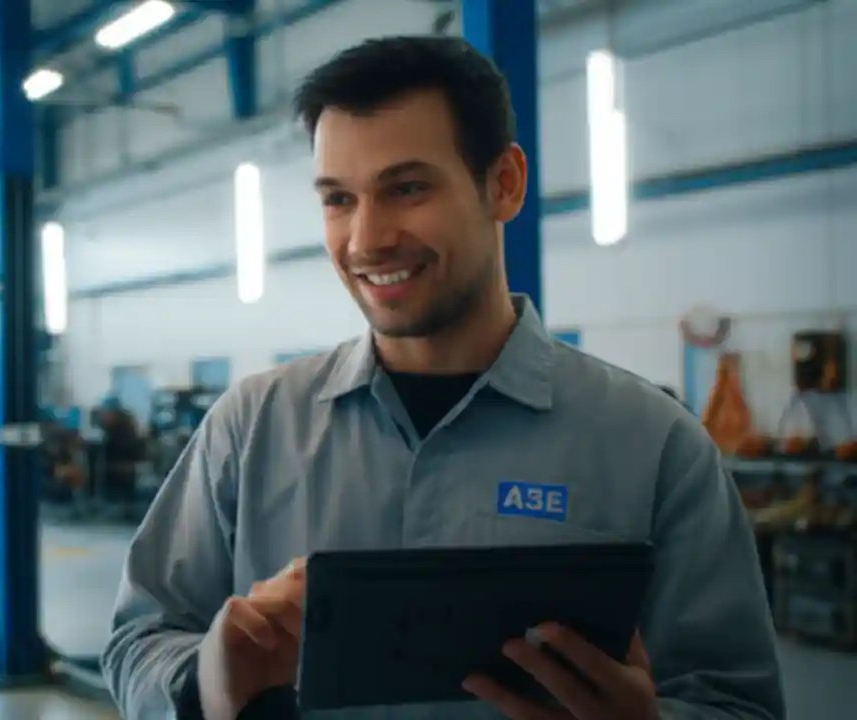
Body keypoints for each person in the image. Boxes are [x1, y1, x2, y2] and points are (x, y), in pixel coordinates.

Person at [103, 36, 784, 720]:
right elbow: (138, 640)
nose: (366, 240)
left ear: (505, 184)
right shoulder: (251, 428)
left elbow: (739, 704)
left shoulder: (654, 447)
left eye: (406, 188)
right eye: (339, 199)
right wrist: (207, 680)